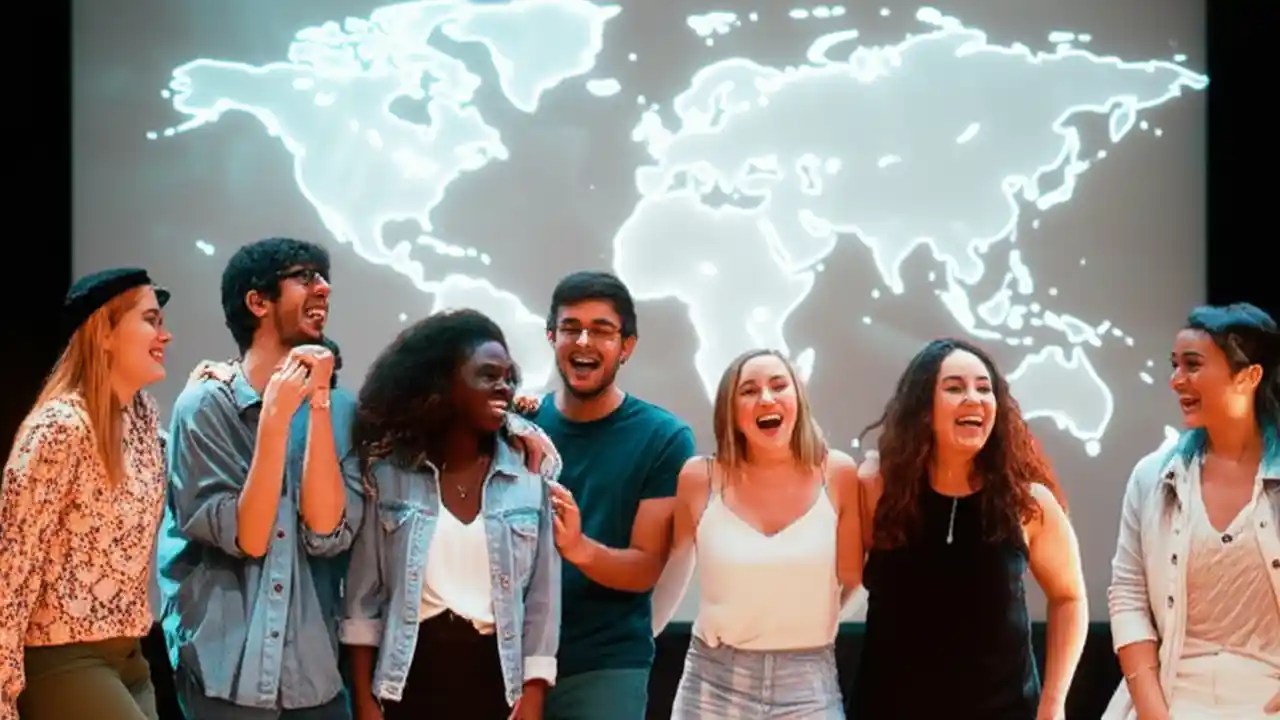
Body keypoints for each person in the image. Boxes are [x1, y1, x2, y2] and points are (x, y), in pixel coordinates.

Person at [155, 237, 363, 719]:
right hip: (224, 676)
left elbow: (326, 531)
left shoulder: (342, 410)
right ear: (257, 301)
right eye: (305, 276)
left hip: (314, 678)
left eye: (323, 277)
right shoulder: (205, 405)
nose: (324, 288)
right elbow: (249, 536)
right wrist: (273, 417)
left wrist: (318, 402)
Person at [342, 309, 560, 719]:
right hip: (407, 678)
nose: (504, 386)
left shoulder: (529, 477)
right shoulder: (390, 477)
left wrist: (532, 696)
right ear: (444, 384)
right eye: (487, 375)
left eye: (509, 377)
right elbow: (362, 599)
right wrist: (365, 700)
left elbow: (542, 602)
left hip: (495, 681)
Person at [854, 338, 1087, 720]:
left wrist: (1053, 703)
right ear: (923, 408)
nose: (974, 398)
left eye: (984, 388)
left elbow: (1069, 598)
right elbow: (843, 579)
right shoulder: (877, 489)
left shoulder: (1027, 502)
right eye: (954, 387)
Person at [521, 270, 696, 720]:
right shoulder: (520, 426)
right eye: (570, 328)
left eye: (601, 330)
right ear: (551, 337)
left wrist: (579, 548)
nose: (583, 341)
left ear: (626, 346)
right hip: (510, 658)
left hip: (605, 663)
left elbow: (645, 568)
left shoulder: (664, 437)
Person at [0, 268, 173, 720]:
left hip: (131, 657)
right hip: (62, 658)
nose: (166, 334)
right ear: (105, 333)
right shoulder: (58, 428)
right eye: (150, 320)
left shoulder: (142, 419)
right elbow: (12, 567)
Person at [1104, 302, 1280, 720]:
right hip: (1171, 696)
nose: (1176, 380)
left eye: (1193, 365)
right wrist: (1152, 712)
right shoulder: (1152, 477)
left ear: (1249, 376)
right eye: (1175, 365)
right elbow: (1128, 595)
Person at [667, 349, 862, 718]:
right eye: (749, 390)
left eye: (778, 385)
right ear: (730, 410)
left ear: (798, 398)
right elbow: (673, 571)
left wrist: (803, 623)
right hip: (712, 680)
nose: (766, 399)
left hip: (807, 682)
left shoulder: (838, 473)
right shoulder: (698, 477)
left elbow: (852, 579)